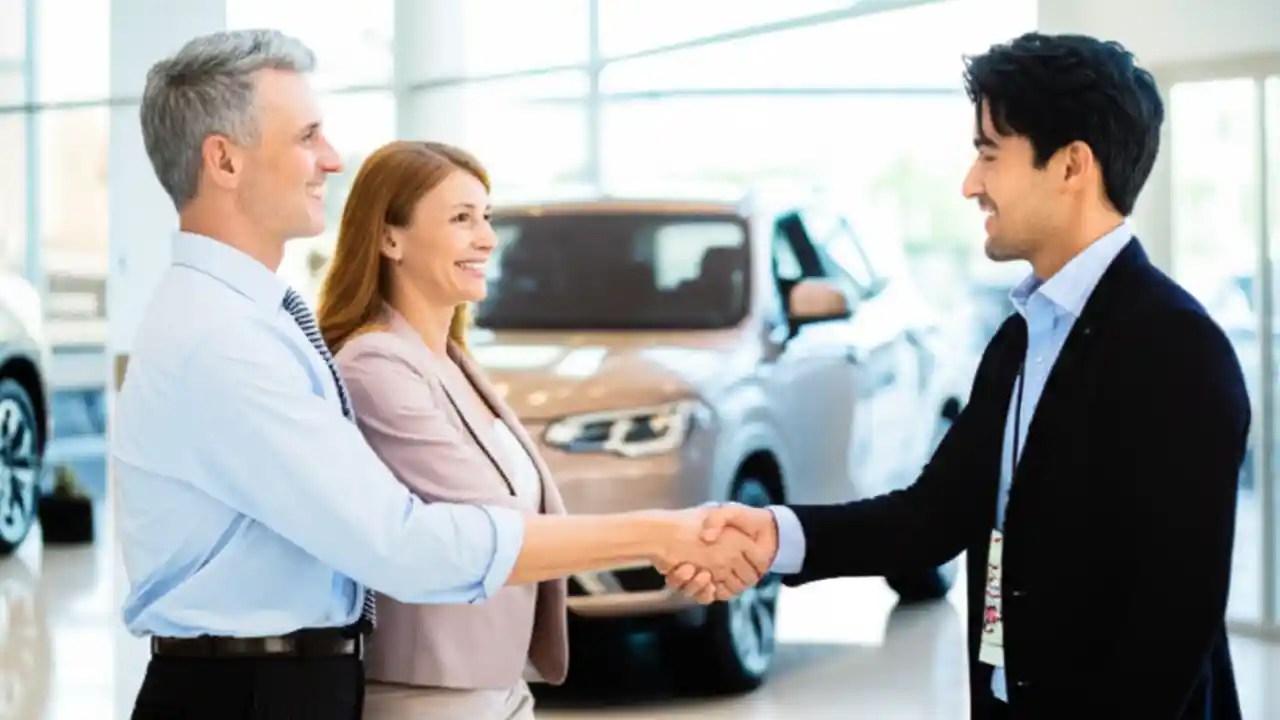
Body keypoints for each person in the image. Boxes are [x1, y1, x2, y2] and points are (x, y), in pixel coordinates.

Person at [114, 29, 765, 720]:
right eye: (308, 136)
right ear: (224, 159)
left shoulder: (249, 317)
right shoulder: (225, 340)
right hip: (250, 695)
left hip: (283, 682)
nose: (331, 161)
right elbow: (403, 544)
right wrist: (656, 535)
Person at [669, 32, 1250, 720]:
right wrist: (773, 536)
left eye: (988, 153)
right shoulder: (1022, 339)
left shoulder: (1178, 348)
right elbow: (934, 516)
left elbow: (1172, 624)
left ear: (1071, 167)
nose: (971, 184)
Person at [315, 140, 558, 718]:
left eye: (487, 218)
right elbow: (492, 528)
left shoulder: (449, 360)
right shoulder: (374, 363)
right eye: (461, 219)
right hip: (429, 691)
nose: (487, 238)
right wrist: (660, 538)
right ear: (388, 238)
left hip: (495, 682)